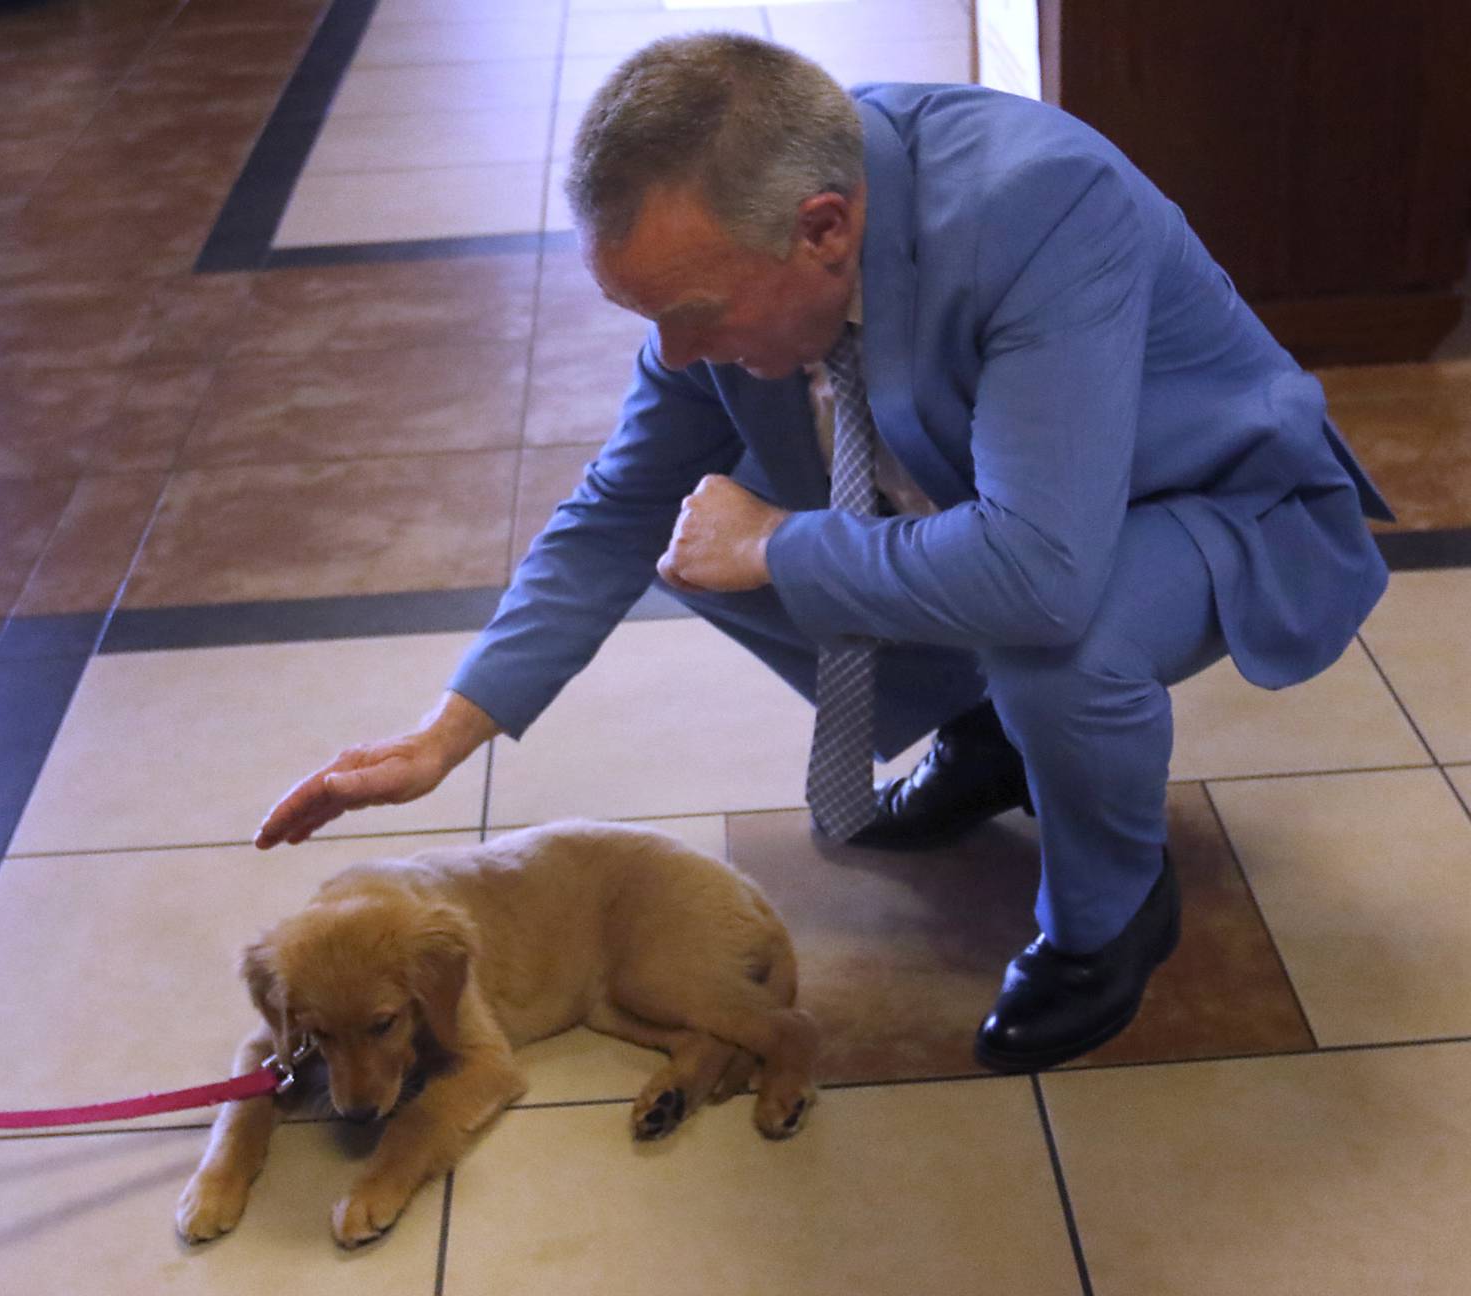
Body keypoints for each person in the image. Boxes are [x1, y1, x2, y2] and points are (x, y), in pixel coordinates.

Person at [255, 34, 1391, 1072]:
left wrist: (783, 544)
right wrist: (446, 736)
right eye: (649, 316)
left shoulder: (1039, 203)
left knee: (1056, 642)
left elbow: (1044, 573)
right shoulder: (737, 250)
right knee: (697, 539)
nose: (677, 351)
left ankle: (1110, 915)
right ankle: (993, 732)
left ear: (824, 227)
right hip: (1006, 509)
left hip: (1205, 500)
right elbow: (615, 510)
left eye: (695, 311)